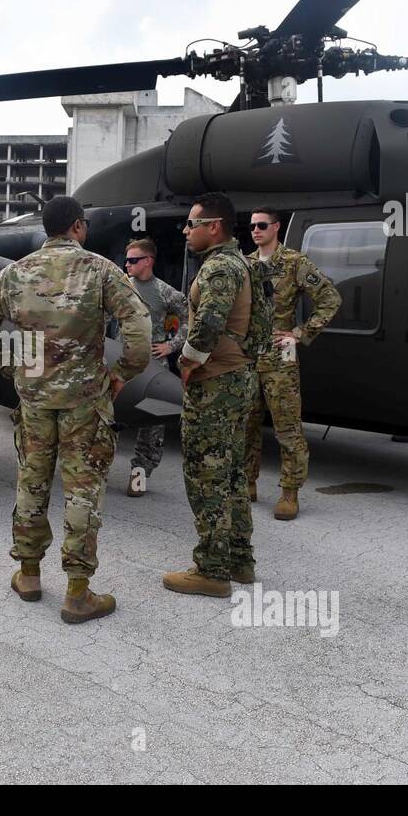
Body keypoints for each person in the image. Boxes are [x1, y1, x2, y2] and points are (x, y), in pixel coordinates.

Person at [0, 196, 149, 624]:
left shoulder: (16, 272)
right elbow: (139, 332)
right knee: (82, 490)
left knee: (32, 482)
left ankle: (29, 575)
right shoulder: (101, 270)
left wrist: (14, 367)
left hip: (33, 399)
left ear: (47, 228)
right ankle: (77, 593)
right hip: (85, 401)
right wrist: (121, 372)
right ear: (79, 227)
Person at [163, 193, 259, 598]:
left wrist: (187, 361)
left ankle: (212, 569)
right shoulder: (239, 262)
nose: (186, 231)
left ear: (213, 226)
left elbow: (209, 323)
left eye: (192, 224)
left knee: (206, 476)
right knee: (233, 471)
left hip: (216, 383)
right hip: (236, 378)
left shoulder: (220, 267)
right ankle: (240, 559)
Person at [244, 207, 341, 519]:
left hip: (281, 356)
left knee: (287, 426)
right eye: (252, 226)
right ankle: (247, 483)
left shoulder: (294, 262)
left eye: (261, 225)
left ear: (276, 227)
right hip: (247, 356)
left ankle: (289, 492)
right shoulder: (244, 264)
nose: (256, 231)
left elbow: (330, 298)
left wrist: (300, 333)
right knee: (245, 424)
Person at [120, 237, 188, 498]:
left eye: (133, 260)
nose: (127, 264)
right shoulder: (120, 287)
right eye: (126, 260)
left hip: (153, 364)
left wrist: (172, 347)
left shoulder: (165, 292)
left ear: (148, 261)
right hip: (122, 360)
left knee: (151, 427)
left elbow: (188, 319)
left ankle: (140, 475)